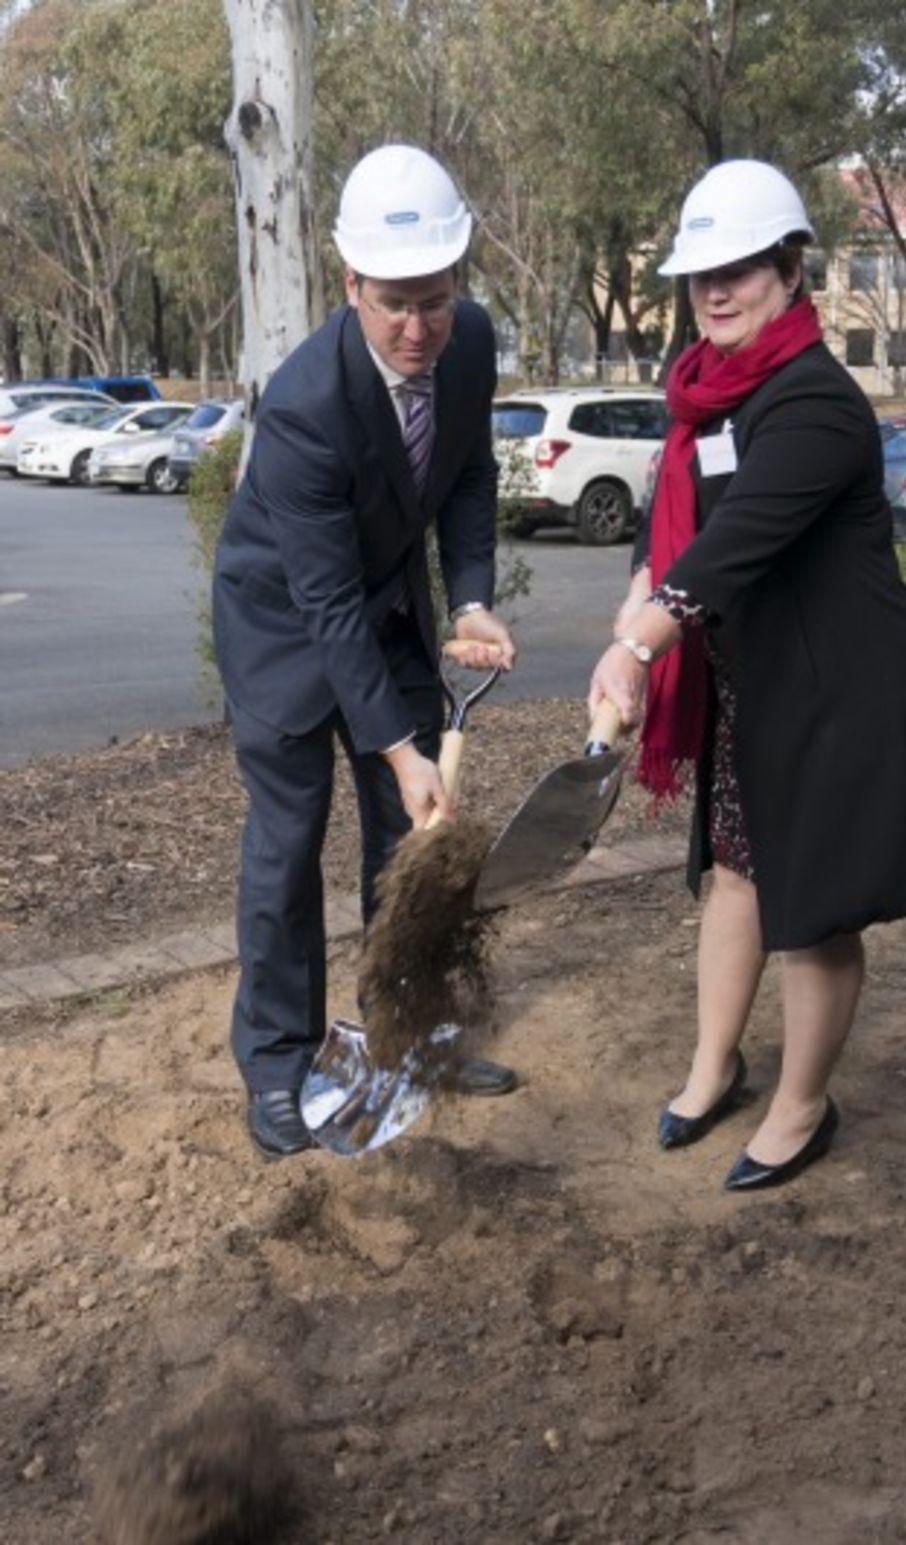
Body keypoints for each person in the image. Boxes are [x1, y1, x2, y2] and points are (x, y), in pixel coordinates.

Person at [588, 160, 906, 1191]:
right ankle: (713, 1070)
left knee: (814, 907)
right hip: (759, 690)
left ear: (790, 270)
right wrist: (639, 591)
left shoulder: (816, 403)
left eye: (740, 266)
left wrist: (638, 643)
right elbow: (680, 528)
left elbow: (735, 543)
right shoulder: (706, 399)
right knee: (737, 874)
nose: (716, 288)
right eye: (700, 271)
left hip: (842, 689)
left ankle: (801, 1106)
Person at [213, 144, 518, 1159]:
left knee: (411, 843)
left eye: (434, 299)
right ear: (349, 286)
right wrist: (396, 744)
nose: (417, 327)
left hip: (381, 612)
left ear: (459, 281)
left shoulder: (468, 343)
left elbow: (467, 470)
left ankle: (409, 1037)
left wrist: (468, 597)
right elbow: (323, 601)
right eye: (393, 304)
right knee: (288, 841)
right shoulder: (304, 407)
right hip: (282, 628)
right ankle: (277, 1059)